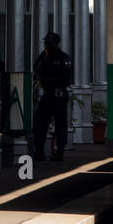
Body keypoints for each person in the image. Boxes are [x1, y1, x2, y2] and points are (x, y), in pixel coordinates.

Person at [32, 32, 73, 161]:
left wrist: (47, 80)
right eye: (46, 43)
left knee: (60, 123)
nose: (47, 46)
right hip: (48, 94)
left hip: (58, 94)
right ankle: (39, 151)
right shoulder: (44, 57)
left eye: (49, 43)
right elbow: (36, 69)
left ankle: (60, 152)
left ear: (56, 43)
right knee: (39, 122)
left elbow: (66, 79)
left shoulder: (63, 58)